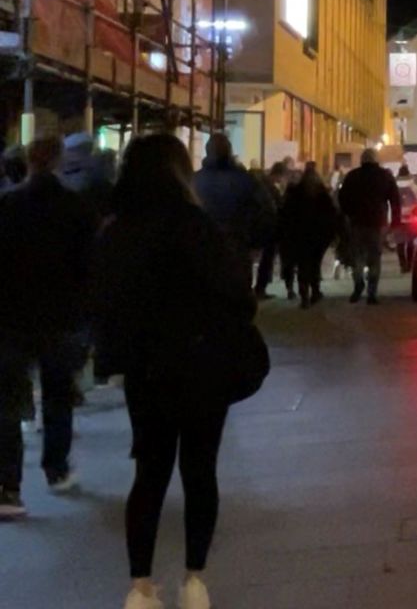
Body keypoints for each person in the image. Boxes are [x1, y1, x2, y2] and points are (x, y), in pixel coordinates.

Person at [94, 134, 256, 609]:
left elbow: (103, 303)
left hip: (146, 368)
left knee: (150, 473)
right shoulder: (197, 226)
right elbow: (236, 295)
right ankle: (194, 579)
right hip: (202, 363)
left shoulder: (117, 230)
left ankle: (140, 586)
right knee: (200, 470)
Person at [0, 137, 96, 517]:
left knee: (7, 402)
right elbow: (90, 268)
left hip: (10, 319)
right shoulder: (76, 208)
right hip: (62, 319)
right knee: (58, 396)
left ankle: (8, 488)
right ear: (58, 161)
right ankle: (55, 469)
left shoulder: (6, 205)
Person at [191, 134, 274, 282]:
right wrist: (256, 242)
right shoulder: (246, 181)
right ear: (229, 152)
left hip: (201, 253)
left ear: (207, 151)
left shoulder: (193, 181)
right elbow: (266, 211)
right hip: (236, 249)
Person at [336, 149, 402, 305]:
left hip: (357, 222)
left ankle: (358, 282)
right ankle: (372, 292)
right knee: (374, 257)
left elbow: (342, 198)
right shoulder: (385, 176)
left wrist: (349, 214)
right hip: (377, 223)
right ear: (376, 160)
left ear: (362, 160)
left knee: (357, 256)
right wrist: (395, 222)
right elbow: (395, 200)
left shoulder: (352, 176)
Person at [279, 167, 340, 308]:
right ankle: (315, 291)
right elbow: (331, 214)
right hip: (318, 235)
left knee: (303, 264)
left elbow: (286, 214)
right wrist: (332, 234)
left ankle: (304, 294)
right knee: (315, 264)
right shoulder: (322, 193)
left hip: (300, 235)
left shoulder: (296, 193)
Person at [252, 162, 292, 299]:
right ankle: (260, 288)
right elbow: (278, 205)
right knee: (267, 258)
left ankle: (259, 288)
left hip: (262, 225)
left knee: (262, 258)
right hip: (268, 226)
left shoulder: (262, 184)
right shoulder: (269, 187)